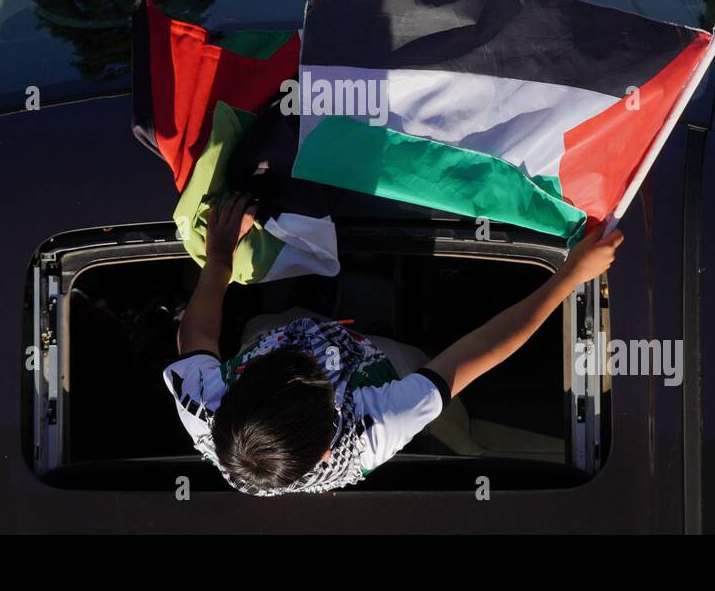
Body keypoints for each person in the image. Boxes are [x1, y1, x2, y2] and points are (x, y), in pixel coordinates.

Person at [162, 193, 624, 495]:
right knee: (417, 365)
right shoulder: (376, 425)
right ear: (327, 447)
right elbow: (478, 350)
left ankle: (294, 322)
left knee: (270, 322)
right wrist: (569, 277)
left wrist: (219, 256)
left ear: (235, 386)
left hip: (276, 337)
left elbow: (197, 336)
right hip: (374, 364)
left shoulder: (203, 405)